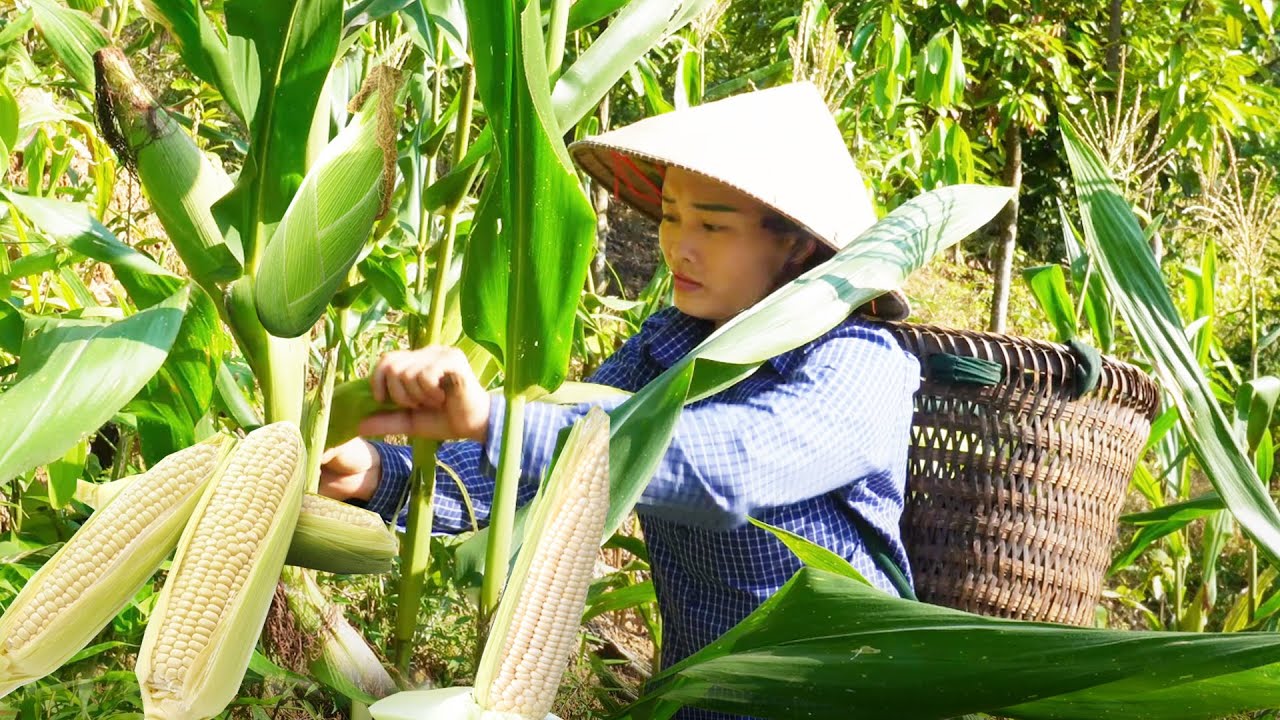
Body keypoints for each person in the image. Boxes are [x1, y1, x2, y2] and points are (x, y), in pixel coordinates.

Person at [320, 82, 921, 720]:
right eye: (669, 216)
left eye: (712, 225)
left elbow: (732, 469)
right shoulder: (670, 348)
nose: (677, 246)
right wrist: (382, 474)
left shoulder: (860, 363)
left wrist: (495, 419)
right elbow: (532, 473)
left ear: (796, 244)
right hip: (696, 702)